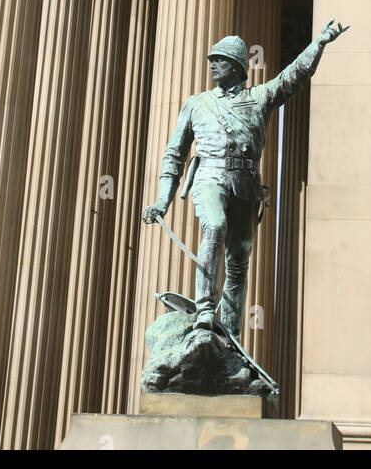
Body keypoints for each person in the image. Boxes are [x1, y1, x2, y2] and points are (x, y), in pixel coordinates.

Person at [142, 18, 349, 337]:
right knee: (214, 225)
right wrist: (162, 200)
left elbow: (293, 77)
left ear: (238, 66)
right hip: (209, 176)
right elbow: (174, 155)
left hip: (246, 185)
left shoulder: (260, 97)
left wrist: (318, 43)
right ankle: (205, 309)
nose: (212, 65)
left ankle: (232, 333)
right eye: (211, 60)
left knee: (238, 263)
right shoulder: (196, 104)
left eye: (220, 60)